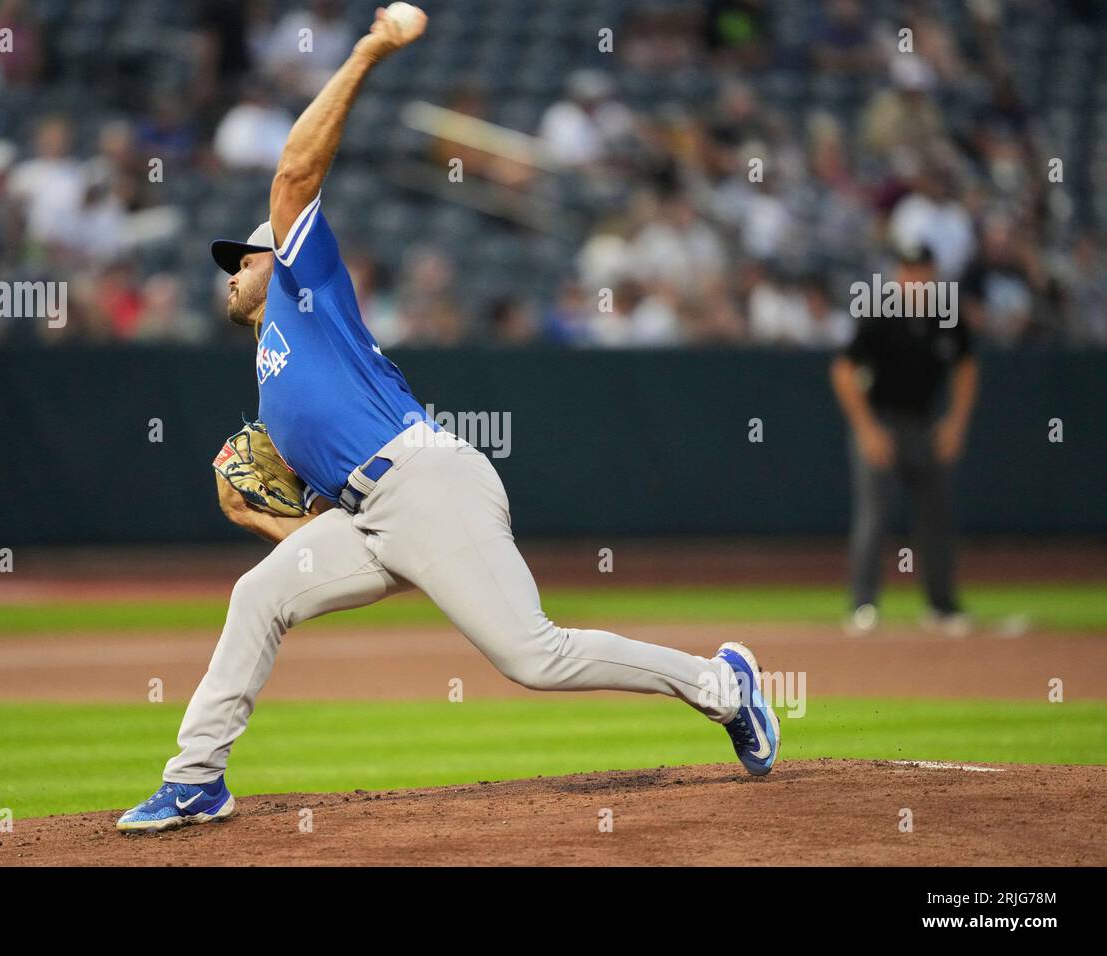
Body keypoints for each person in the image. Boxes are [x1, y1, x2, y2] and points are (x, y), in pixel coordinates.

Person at [117, 7, 780, 834]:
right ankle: (196, 780)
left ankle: (722, 684)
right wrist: (263, 518)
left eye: (240, 257)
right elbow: (339, 542)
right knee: (259, 598)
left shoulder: (302, 288)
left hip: (426, 480)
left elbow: (292, 175)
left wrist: (366, 51)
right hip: (376, 511)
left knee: (533, 656)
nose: (232, 271)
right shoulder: (273, 374)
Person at [830, 244, 979, 637]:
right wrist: (866, 429)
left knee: (936, 518)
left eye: (922, 272)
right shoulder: (879, 314)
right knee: (873, 518)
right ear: (898, 275)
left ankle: (941, 606)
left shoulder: (946, 314)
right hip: (882, 421)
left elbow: (966, 366)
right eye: (909, 272)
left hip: (924, 424)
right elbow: (844, 371)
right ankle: (863, 606)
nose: (916, 281)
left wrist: (956, 423)